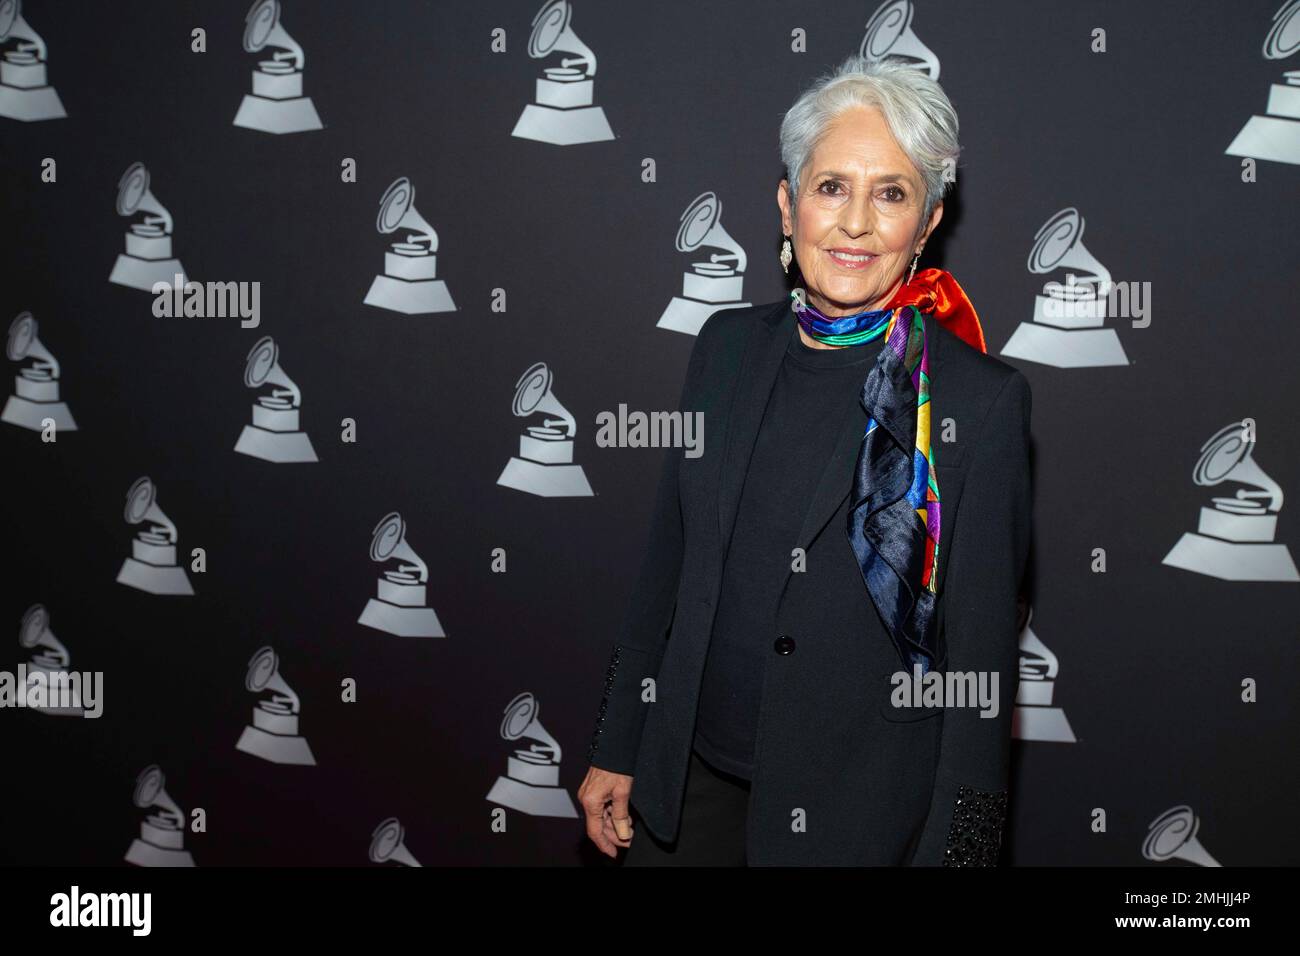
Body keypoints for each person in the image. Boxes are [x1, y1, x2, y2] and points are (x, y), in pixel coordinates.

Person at [578, 54, 1031, 866]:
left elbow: (981, 680)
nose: (855, 223)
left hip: (858, 819)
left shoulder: (978, 404)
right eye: (831, 187)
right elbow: (665, 570)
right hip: (682, 790)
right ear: (787, 206)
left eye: (890, 193)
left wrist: (962, 858)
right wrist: (619, 739)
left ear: (927, 222)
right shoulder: (723, 348)